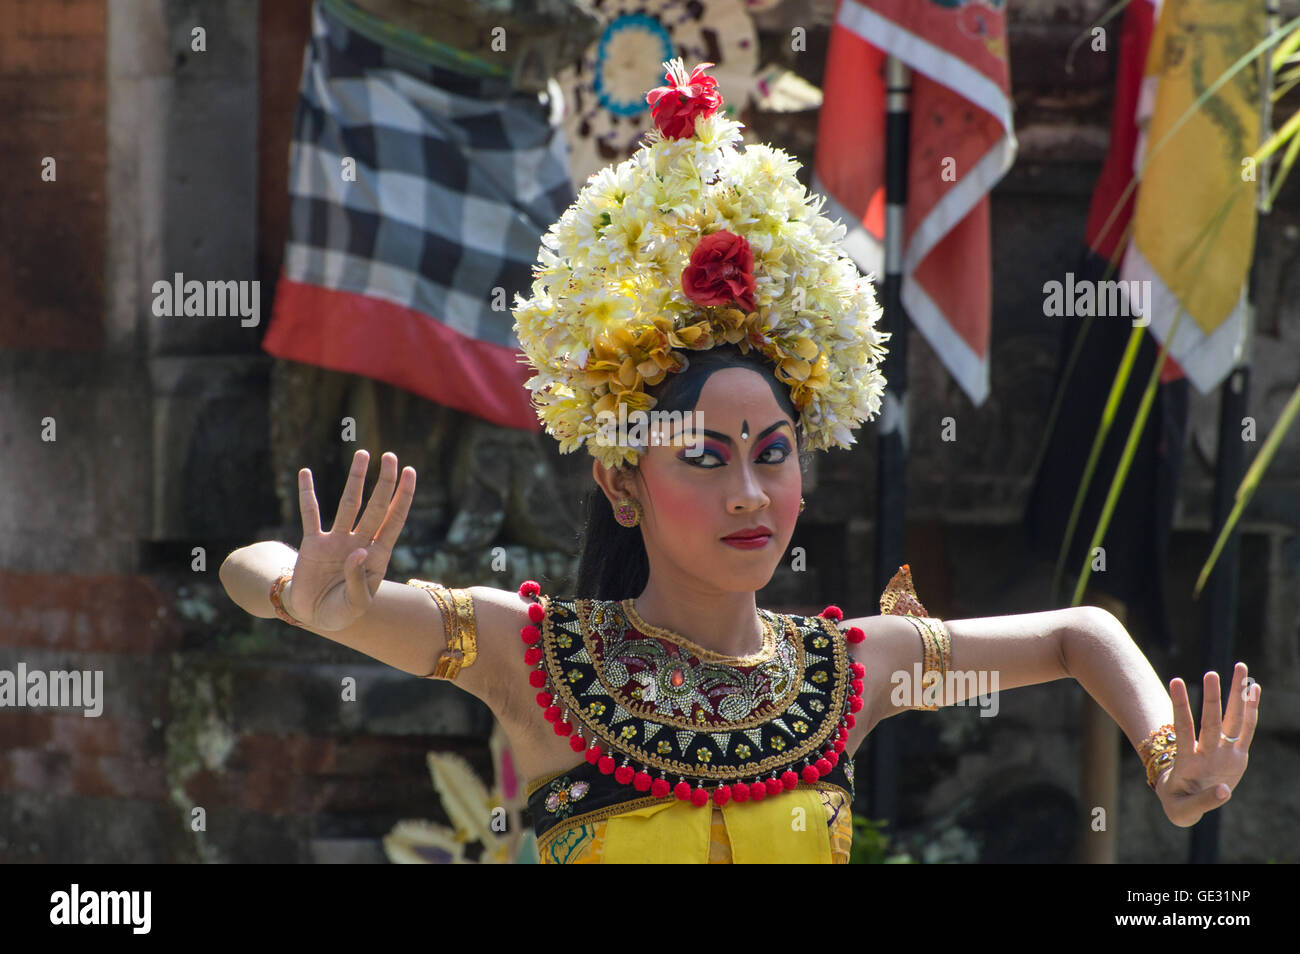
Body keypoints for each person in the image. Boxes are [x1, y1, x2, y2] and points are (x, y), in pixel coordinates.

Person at [220, 60, 1260, 864]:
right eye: (704, 460)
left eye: (773, 454)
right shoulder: (530, 659)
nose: (750, 493)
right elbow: (245, 567)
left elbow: (1081, 635)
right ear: (621, 483)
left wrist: (1168, 757)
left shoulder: (852, 669)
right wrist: (316, 599)